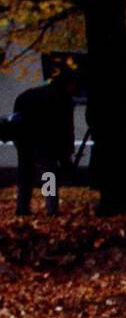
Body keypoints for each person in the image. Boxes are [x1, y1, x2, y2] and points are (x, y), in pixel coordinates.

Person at [12, 70, 76, 216]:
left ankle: (22, 208)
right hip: (46, 143)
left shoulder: (27, 95)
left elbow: (16, 120)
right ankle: (51, 208)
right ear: (68, 84)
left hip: (24, 141)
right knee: (49, 176)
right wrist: (66, 154)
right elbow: (65, 128)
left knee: (25, 174)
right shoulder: (63, 99)